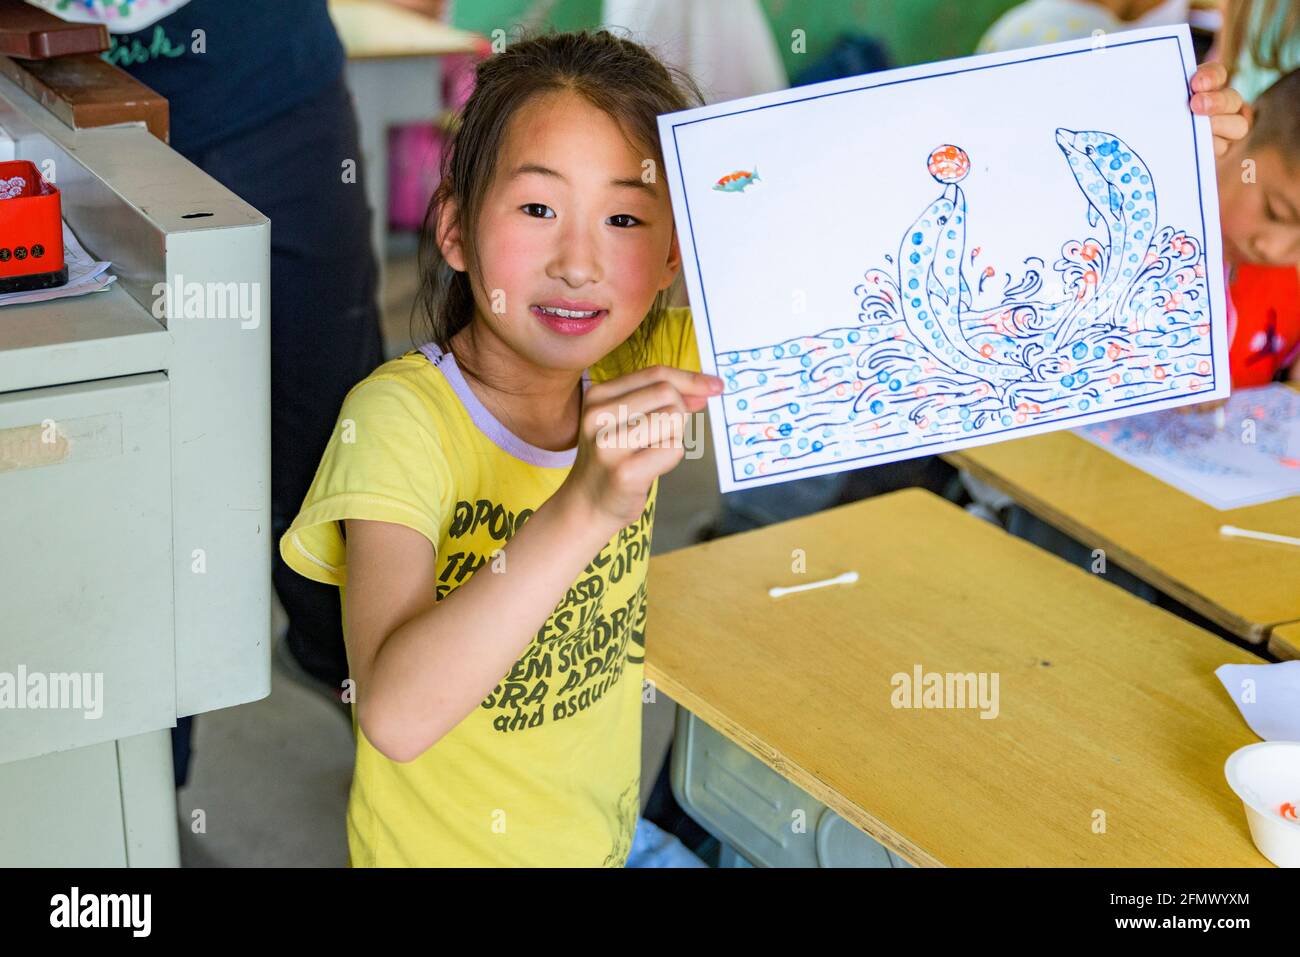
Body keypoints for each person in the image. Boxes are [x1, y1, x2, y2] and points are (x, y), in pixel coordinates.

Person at [277, 29, 1250, 866]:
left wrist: (1181, 158)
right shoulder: (397, 422)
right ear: (451, 227)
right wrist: (584, 508)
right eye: (537, 209)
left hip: (605, 845)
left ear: (670, 257)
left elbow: (879, 298)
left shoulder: (640, 359)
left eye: (623, 218)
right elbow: (396, 714)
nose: (577, 257)